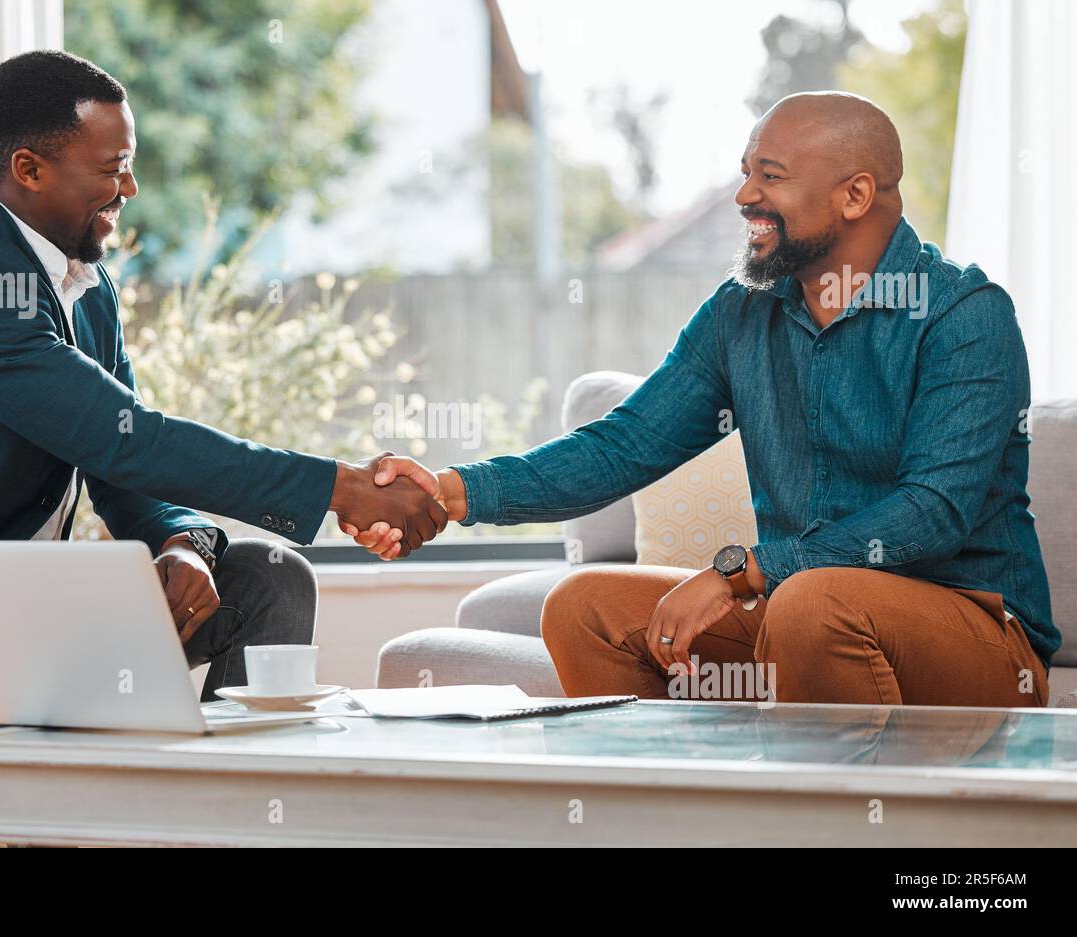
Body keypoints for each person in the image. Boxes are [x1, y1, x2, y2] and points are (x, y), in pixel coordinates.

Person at [0, 51, 444, 730]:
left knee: (270, 579)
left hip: (35, 597)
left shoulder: (85, 286)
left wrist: (180, 543)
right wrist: (342, 486)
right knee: (40, 595)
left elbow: (123, 463)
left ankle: (209, 818)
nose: (130, 189)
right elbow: (128, 435)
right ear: (28, 169)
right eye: (111, 170)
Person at [352, 92, 1057, 708]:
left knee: (815, 602)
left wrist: (743, 572)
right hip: (798, 611)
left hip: (973, 629)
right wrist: (451, 492)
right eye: (745, 172)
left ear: (855, 195)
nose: (744, 196)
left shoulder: (962, 313)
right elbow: (625, 443)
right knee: (584, 607)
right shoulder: (742, 313)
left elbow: (933, 511)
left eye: (769, 176)